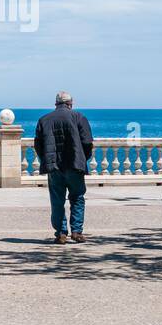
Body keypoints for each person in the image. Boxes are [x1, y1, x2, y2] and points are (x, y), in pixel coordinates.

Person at [34, 90, 94, 244]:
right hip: (75, 165)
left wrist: (46, 159)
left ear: (56, 104)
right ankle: (76, 231)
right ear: (70, 103)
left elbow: (38, 145)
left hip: (54, 167)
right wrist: (83, 158)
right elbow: (87, 142)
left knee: (57, 200)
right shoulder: (79, 117)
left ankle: (61, 233)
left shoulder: (44, 120)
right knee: (78, 198)